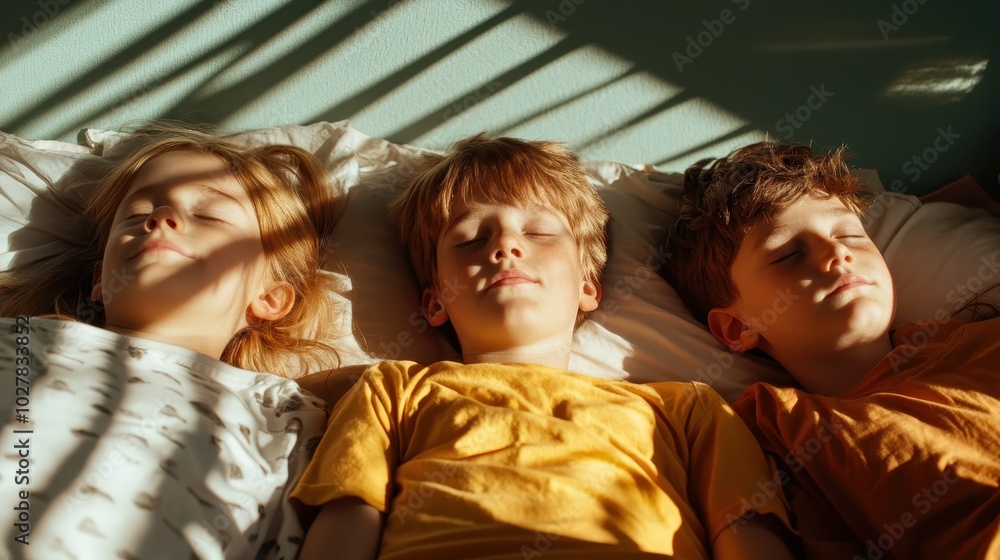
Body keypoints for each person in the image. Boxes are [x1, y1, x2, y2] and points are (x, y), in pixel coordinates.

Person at [291, 134, 797, 559]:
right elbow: (348, 513)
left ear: (589, 287)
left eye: (538, 231)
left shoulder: (688, 408)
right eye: (469, 239)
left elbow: (747, 530)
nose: (505, 246)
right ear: (435, 301)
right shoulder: (392, 389)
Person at [665, 141, 1000, 558]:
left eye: (849, 234)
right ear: (736, 327)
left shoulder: (983, 340)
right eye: (788, 254)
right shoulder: (778, 429)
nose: (837, 252)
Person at [0, 124, 340, 377]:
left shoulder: (284, 409)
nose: (160, 217)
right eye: (137, 214)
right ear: (101, 279)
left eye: (209, 215)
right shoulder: (20, 344)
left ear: (270, 298)